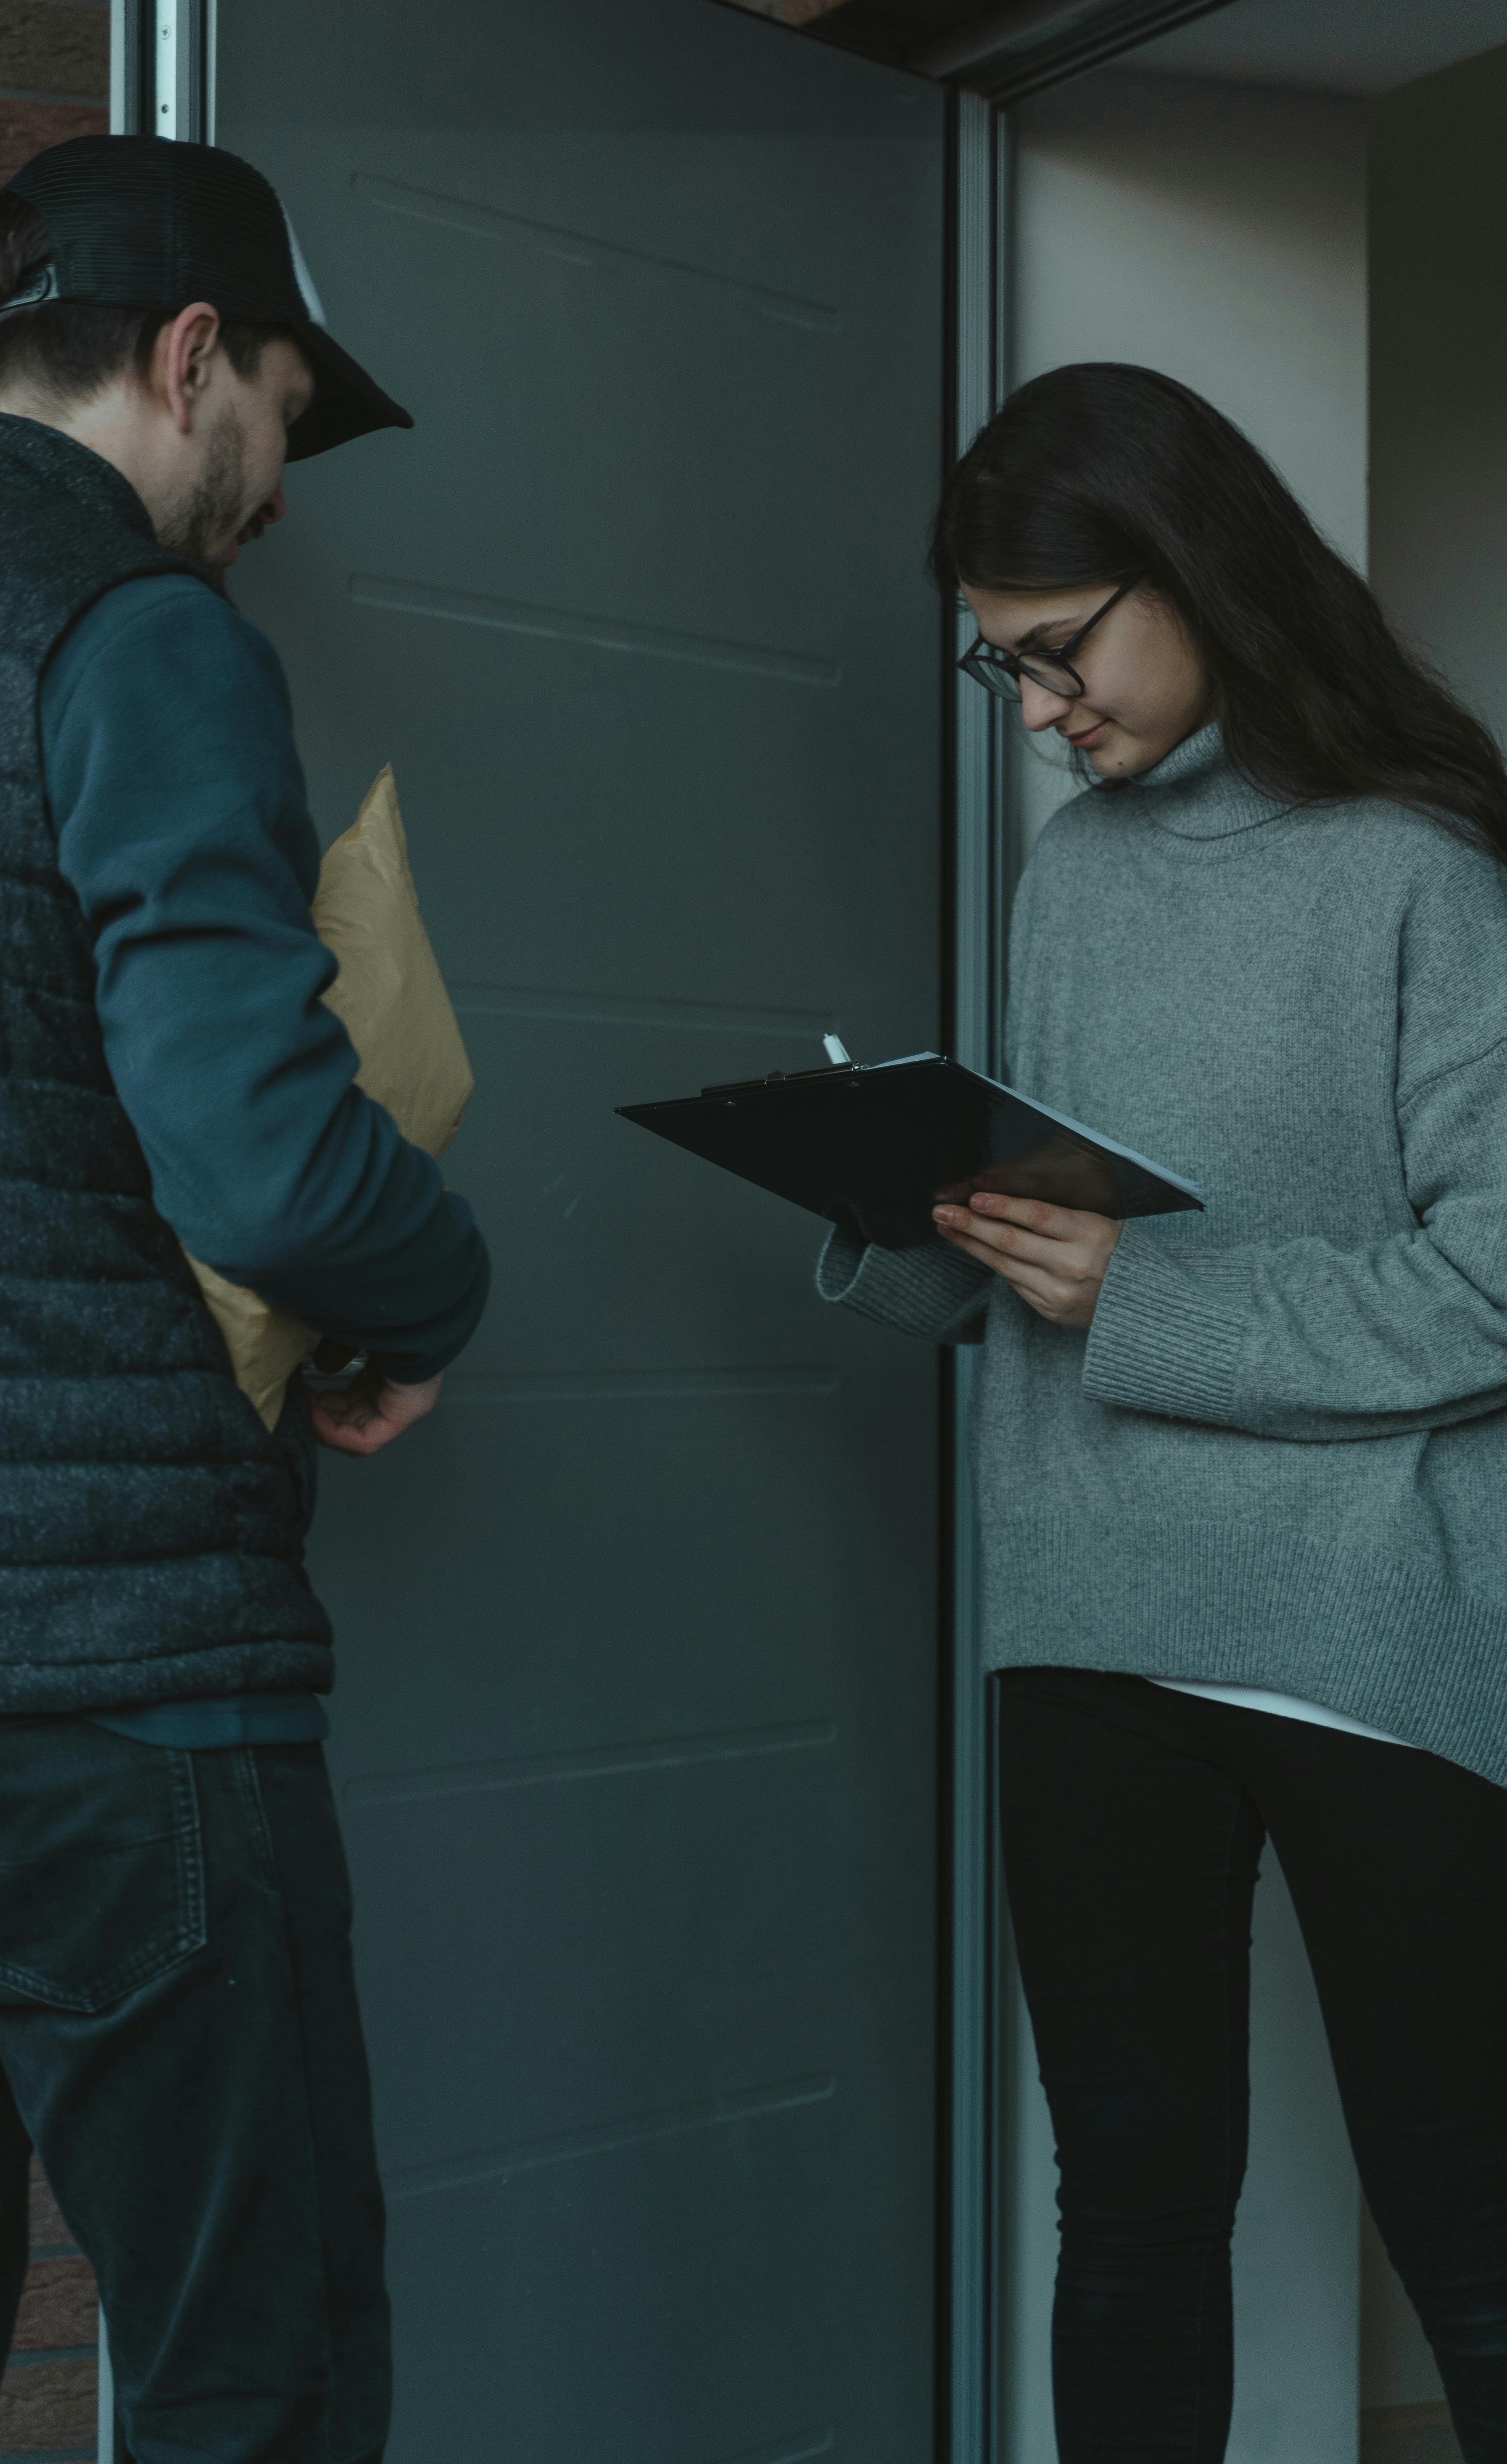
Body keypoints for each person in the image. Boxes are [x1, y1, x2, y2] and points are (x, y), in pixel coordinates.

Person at [0, 135, 488, 2461]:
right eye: (290, 412)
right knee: (256, 2376)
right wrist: (435, 1286)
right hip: (115, 1704)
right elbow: (271, 1164)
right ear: (196, 357)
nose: (278, 485)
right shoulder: (140, 637)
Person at [817, 361, 1507, 2463]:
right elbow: (1074, 1241)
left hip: (1371, 1645)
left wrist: (1147, 1296)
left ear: (1186, 568)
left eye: (1054, 653)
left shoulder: (1418, 871)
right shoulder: (1076, 873)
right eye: (995, 668)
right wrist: (917, 1216)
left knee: (1469, 2226)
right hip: (1085, 1617)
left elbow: (1490, 1281)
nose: (1035, 712)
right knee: (1124, 2213)